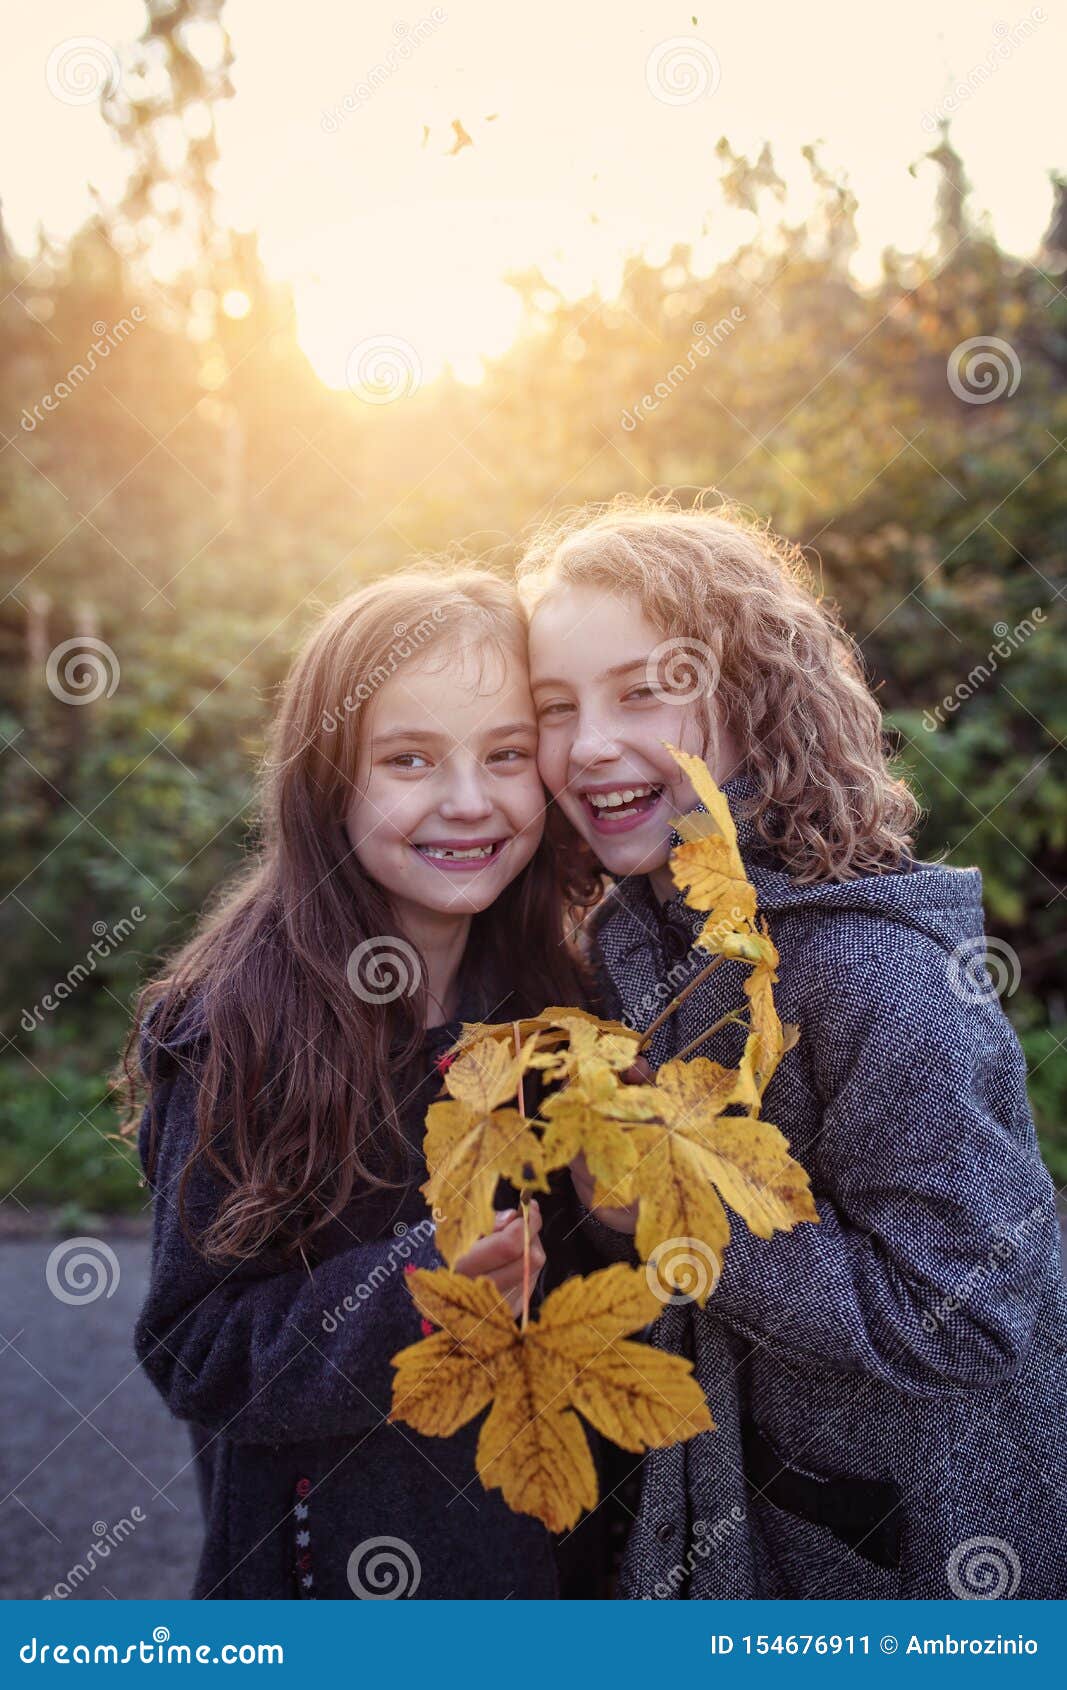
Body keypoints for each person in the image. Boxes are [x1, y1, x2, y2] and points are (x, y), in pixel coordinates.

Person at [519, 494, 1067, 1599]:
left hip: (906, 1561)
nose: (586, 744)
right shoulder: (637, 931)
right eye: (551, 706)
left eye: (642, 691)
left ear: (755, 697)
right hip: (726, 1511)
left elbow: (966, 1314)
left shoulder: (879, 976)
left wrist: (680, 1221)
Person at [118, 566, 610, 1599]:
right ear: (327, 779)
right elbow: (197, 1351)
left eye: (506, 755)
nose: (467, 800)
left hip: (541, 1577)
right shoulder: (235, 1027)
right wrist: (419, 1294)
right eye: (409, 759)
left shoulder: (557, 1005)